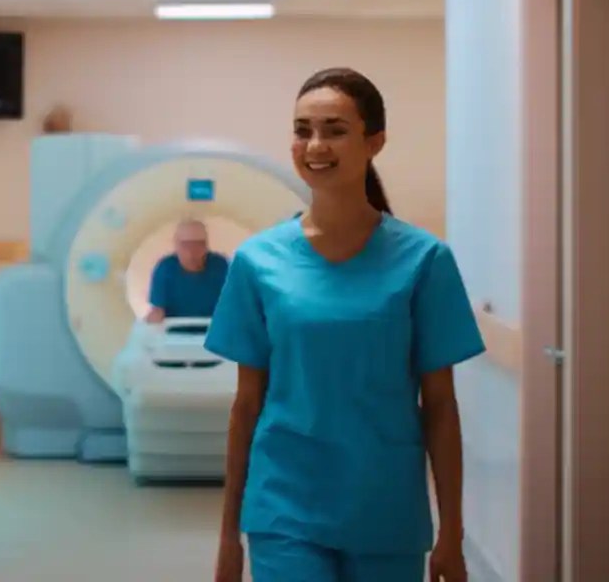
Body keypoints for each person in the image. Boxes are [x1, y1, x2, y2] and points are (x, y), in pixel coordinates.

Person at [204, 68, 484, 582]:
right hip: (284, 507)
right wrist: (228, 538)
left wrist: (452, 535)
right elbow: (247, 405)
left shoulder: (423, 261)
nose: (315, 144)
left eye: (335, 129)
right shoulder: (258, 261)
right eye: (302, 129)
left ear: (374, 142)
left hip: (386, 510)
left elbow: (440, 407)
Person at [145, 218, 230, 323]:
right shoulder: (165, 267)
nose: (192, 252)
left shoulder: (220, 265)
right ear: (177, 246)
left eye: (198, 245)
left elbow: (232, 303)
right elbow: (158, 310)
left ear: (206, 246)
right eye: (186, 246)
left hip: (212, 330)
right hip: (175, 332)